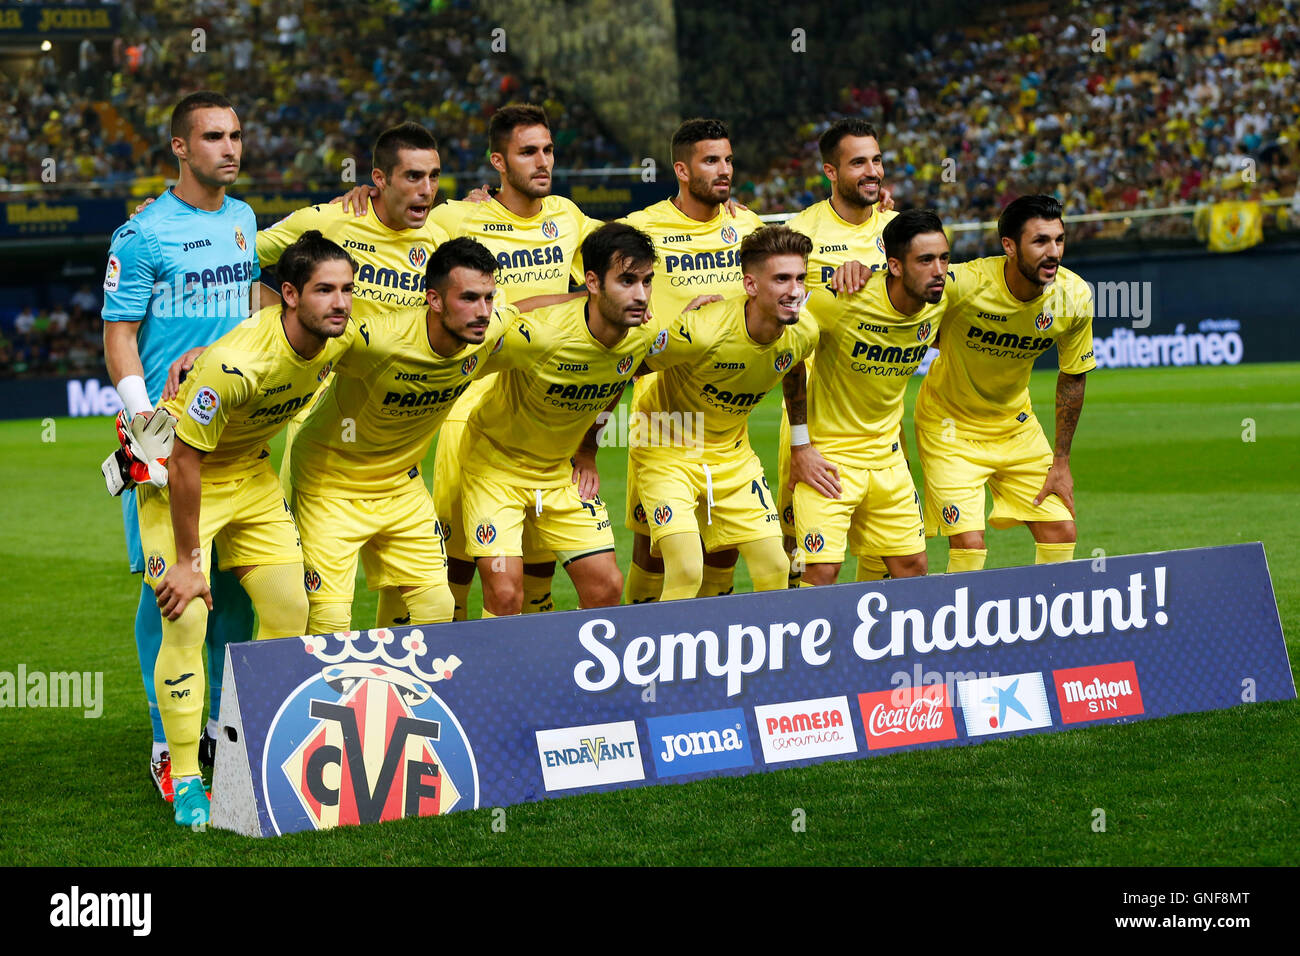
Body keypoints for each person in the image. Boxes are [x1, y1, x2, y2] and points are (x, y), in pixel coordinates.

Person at [142, 231, 356, 827]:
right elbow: (184, 460)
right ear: (289, 295)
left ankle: (250, 746)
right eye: (324, 290)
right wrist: (190, 564)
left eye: (346, 289)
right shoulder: (235, 366)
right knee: (187, 615)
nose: (340, 302)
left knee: (290, 610)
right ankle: (185, 777)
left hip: (250, 475)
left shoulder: (339, 335)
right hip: (181, 476)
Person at [101, 90, 260, 803]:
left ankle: (218, 725)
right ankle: (168, 740)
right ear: (180, 147)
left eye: (236, 136)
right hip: (168, 439)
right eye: (215, 137)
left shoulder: (244, 220)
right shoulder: (141, 234)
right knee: (169, 592)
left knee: (231, 586)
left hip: (239, 437)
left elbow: (256, 311)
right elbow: (119, 335)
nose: (230, 148)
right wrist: (143, 424)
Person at [289, 238, 509, 632]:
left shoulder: (488, 331)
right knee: (329, 620)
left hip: (401, 485)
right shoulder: (378, 340)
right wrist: (215, 353)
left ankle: (399, 674)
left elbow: (529, 311)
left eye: (489, 298)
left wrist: (588, 300)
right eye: (469, 298)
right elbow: (295, 336)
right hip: (330, 485)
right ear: (434, 300)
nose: (483, 311)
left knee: (438, 605)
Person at [460, 223, 667, 616]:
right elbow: (481, 336)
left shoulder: (642, 334)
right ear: (593, 282)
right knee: (505, 594)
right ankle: (498, 660)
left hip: (559, 471)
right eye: (626, 281)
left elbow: (615, 382)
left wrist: (588, 450)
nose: (641, 295)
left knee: (607, 586)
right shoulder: (540, 335)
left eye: (647, 281)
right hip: (495, 470)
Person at [621, 118, 765, 605]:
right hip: (663, 411)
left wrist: (877, 213)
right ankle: (640, 638)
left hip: (728, 414)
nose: (724, 170)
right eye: (711, 161)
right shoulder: (642, 228)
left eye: (728, 160)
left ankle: (712, 643)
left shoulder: (748, 227)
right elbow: (589, 273)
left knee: (725, 550)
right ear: (682, 170)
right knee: (657, 553)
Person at [913, 195, 1094, 572]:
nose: (1053, 252)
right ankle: (959, 614)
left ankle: (1050, 610)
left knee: (1061, 530)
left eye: (1059, 240)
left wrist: (1061, 461)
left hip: (1015, 427)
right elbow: (904, 298)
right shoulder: (964, 283)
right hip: (949, 428)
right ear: (1009, 246)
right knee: (969, 544)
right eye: (1040, 241)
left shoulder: (1073, 296)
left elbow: (1073, 376)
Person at [633, 225, 817, 599]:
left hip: (732, 456)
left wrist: (801, 444)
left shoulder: (804, 330)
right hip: (665, 449)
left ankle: (759, 640)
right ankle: (662, 640)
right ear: (751, 285)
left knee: (776, 566)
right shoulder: (702, 329)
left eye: (800, 278)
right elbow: (629, 365)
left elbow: (794, 369)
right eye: (781, 279)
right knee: (686, 570)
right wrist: (586, 446)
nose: (795, 290)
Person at [787, 210, 948, 586]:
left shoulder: (944, 298)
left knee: (913, 567)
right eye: (925, 260)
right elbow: (789, 354)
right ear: (895, 266)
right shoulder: (840, 300)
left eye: (944, 258)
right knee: (820, 571)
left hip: (888, 459)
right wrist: (800, 445)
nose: (939, 270)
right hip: (830, 457)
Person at [781, 119, 899, 583]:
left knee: (889, 551)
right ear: (830, 171)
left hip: (882, 414)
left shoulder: (897, 229)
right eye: (858, 163)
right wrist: (825, 291)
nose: (873, 171)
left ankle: (870, 626)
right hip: (817, 412)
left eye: (877, 160)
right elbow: (779, 309)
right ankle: (795, 623)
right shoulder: (801, 232)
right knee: (800, 554)